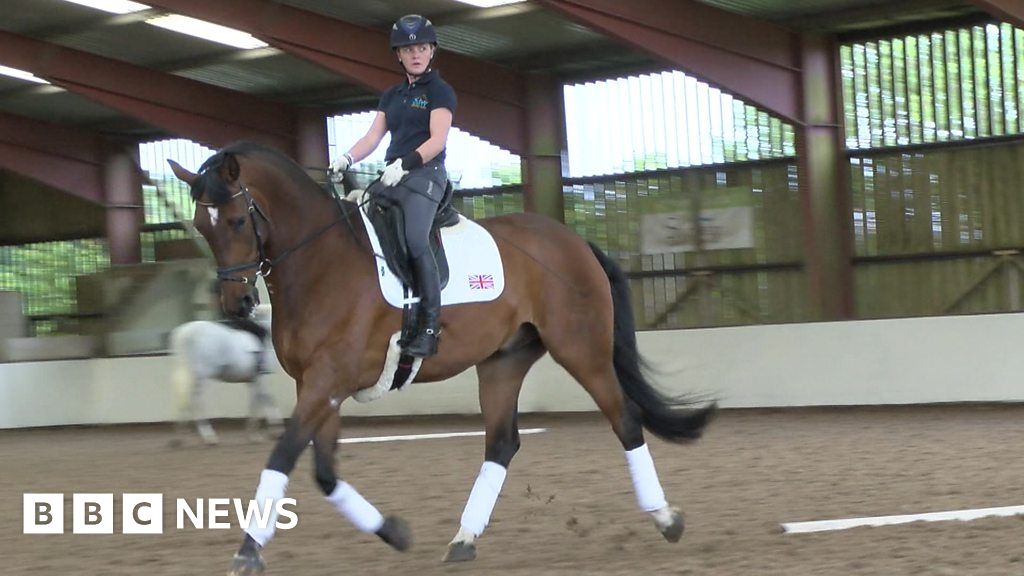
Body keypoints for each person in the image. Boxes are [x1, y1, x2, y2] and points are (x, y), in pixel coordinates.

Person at [330, 14, 456, 358]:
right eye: (408, 49)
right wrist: (346, 159)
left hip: (426, 174)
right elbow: (372, 137)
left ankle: (430, 327)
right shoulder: (392, 95)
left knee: (415, 239)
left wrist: (407, 164)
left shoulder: (440, 91)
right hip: (392, 175)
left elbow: (437, 140)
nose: (416, 54)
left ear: (432, 51)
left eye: (422, 47)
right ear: (398, 55)